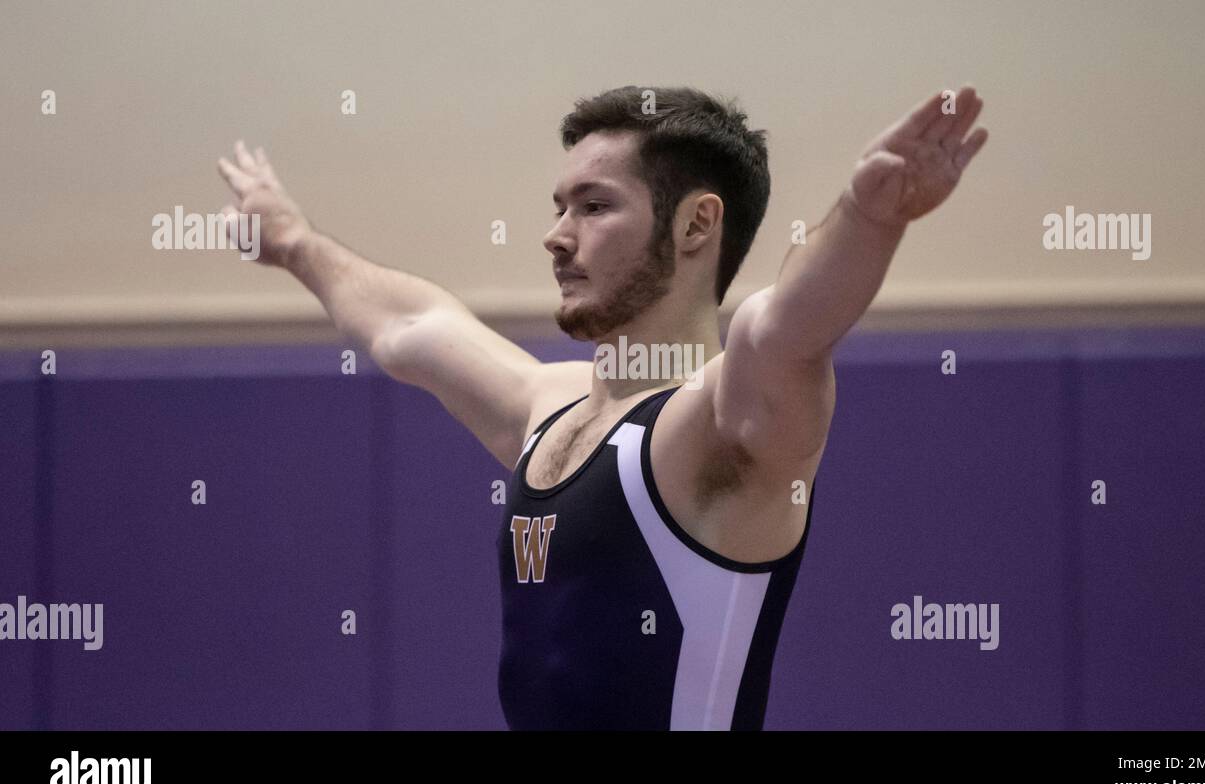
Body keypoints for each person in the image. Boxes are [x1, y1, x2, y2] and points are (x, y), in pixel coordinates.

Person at [216, 84, 988, 730]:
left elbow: (782, 330)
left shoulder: (716, 428)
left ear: (696, 224)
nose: (556, 236)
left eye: (593, 207)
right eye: (559, 206)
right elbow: (410, 326)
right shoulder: (548, 407)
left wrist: (868, 215)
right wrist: (291, 240)